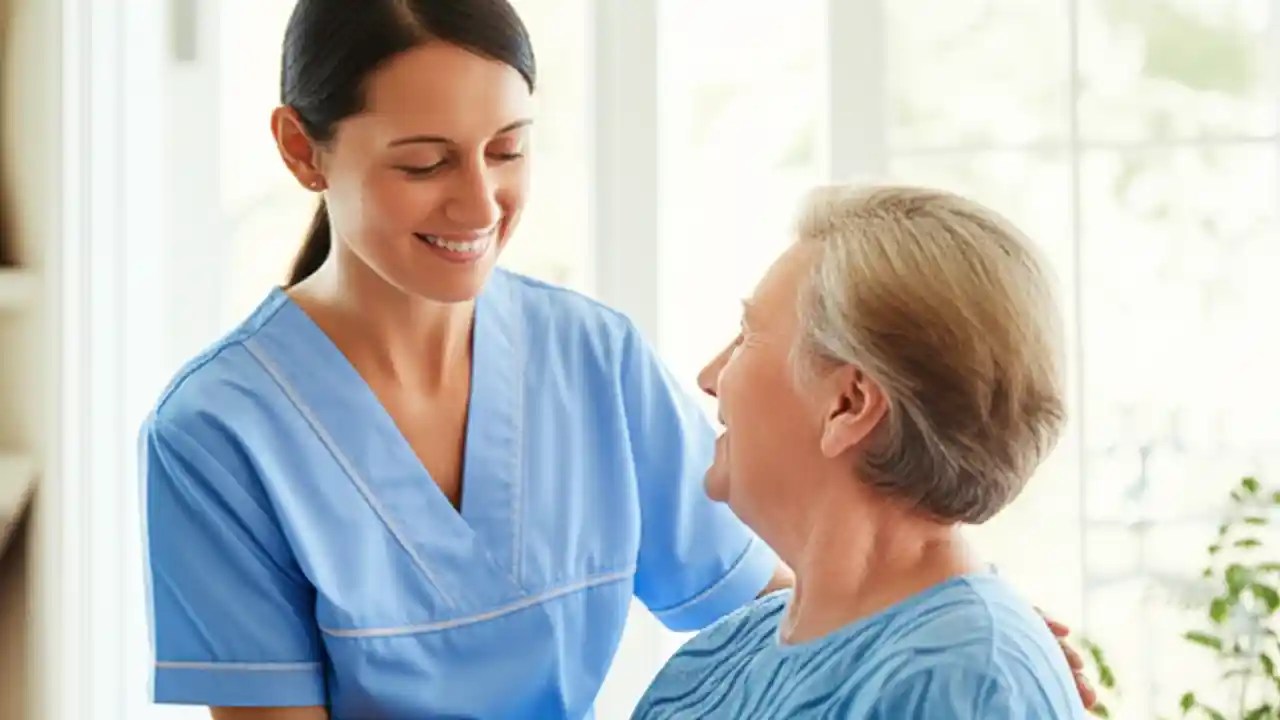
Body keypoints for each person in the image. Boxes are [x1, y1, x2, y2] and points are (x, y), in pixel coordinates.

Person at [137, 2, 1091, 718]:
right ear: (303, 151)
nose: (480, 207)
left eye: (508, 150)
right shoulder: (220, 434)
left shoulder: (591, 360)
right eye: (425, 163)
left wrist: (971, 631)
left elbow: (828, 587)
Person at [632, 185, 1088, 719]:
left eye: (747, 336)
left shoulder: (972, 680)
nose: (710, 378)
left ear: (848, 404)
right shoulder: (719, 658)